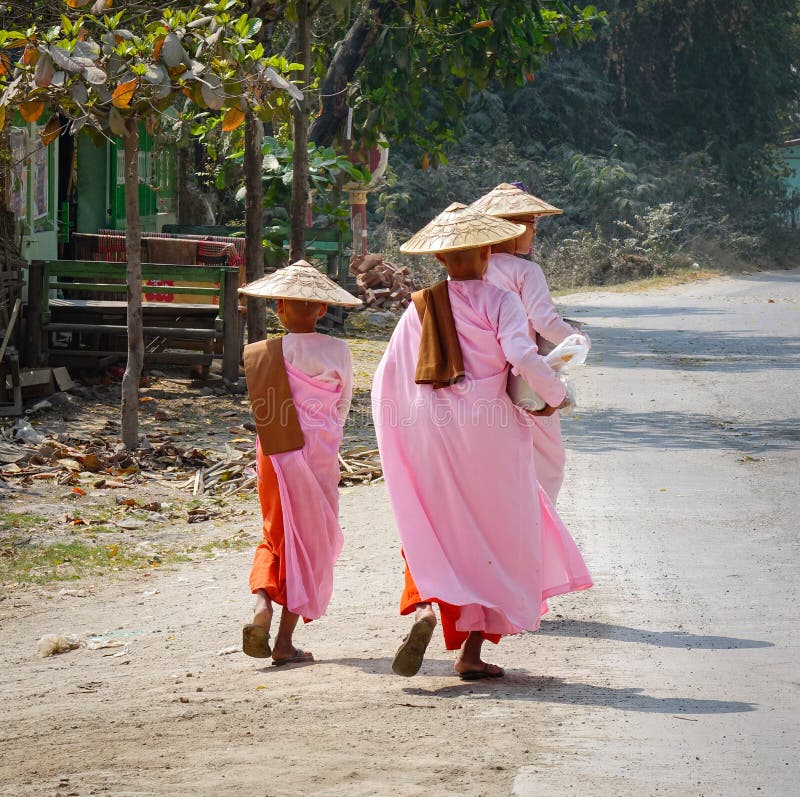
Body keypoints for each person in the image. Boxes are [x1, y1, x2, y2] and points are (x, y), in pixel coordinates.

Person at [372, 203, 592, 680]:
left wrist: (405, 429)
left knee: (437, 525)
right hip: (492, 438)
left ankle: (429, 607)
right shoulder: (500, 302)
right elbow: (522, 355)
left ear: (440, 260)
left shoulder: (421, 307)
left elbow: (391, 376)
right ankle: (470, 653)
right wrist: (553, 397)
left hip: (433, 435)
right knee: (497, 533)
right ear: (487, 255)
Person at [239, 261, 360, 665]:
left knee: (275, 532)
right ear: (323, 309)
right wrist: (324, 438)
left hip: (274, 451)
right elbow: (342, 406)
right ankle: (284, 642)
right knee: (311, 541)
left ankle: (261, 602)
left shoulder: (263, 354)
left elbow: (264, 410)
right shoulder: (338, 350)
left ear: (278, 308)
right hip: (320, 454)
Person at [470, 182, 589, 504]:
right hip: (522, 376)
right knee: (548, 461)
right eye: (531, 224)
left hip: (478, 377)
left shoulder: (469, 271)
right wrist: (578, 340)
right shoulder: (525, 271)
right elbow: (544, 322)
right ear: (510, 228)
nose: (534, 232)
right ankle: (538, 524)